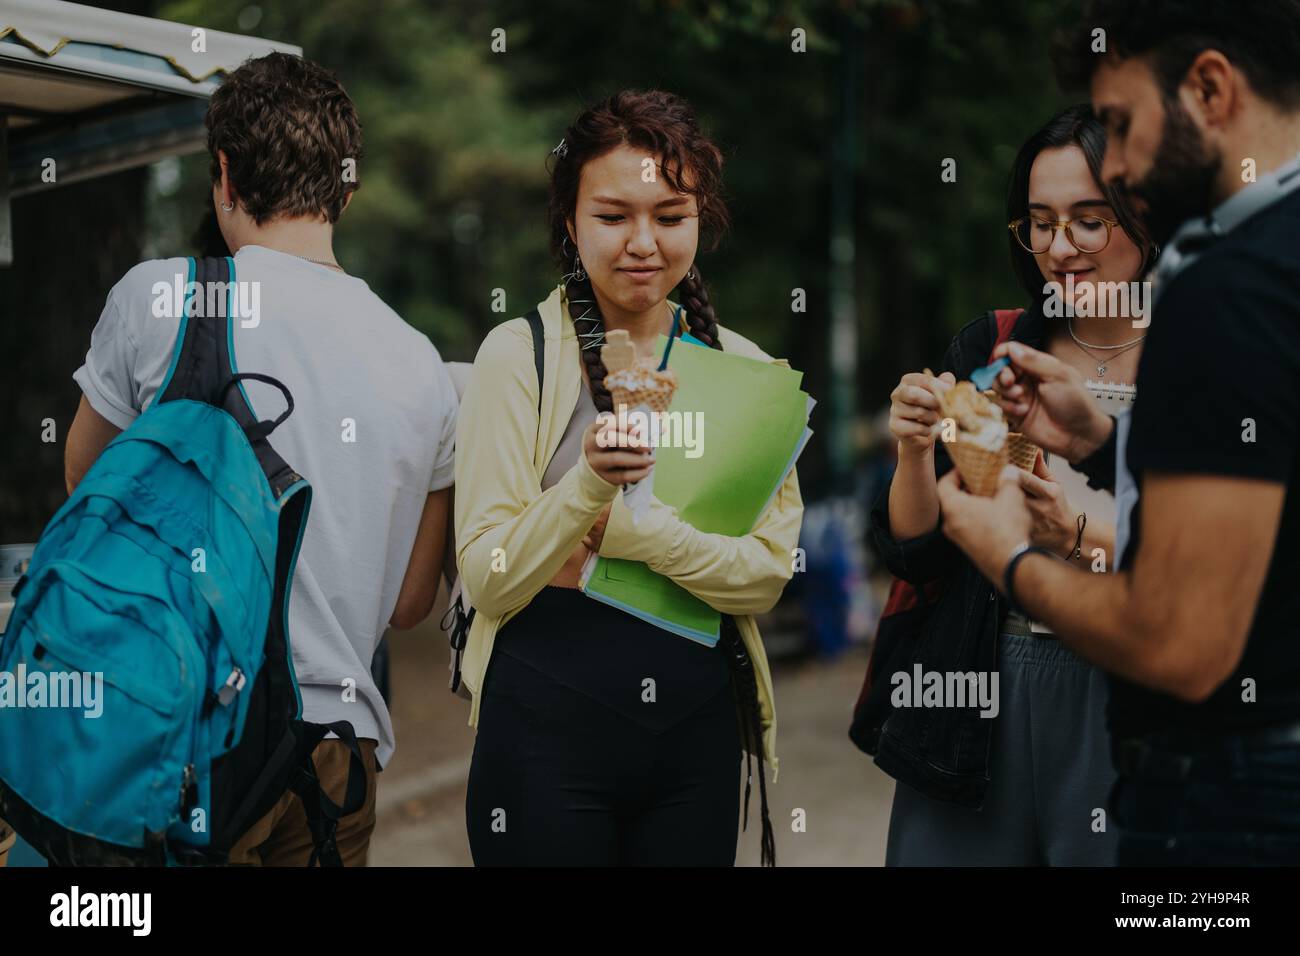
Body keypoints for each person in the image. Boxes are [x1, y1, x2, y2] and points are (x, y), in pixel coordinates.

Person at [64, 52, 457, 865]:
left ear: (223, 173)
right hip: (339, 765)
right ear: (347, 189)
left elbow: (85, 488)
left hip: (183, 742)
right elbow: (415, 600)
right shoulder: (423, 364)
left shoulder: (162, 298)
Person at [937, 0, 1300, 864]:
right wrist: (1105, 442)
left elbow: (1177, 644)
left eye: (1123, 125)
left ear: (1210, 89)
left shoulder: (1231, 291)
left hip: (1236, 804)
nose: (1125, 165)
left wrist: (1009, 559)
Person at [455, 90, 804, 866]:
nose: (643, 242)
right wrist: (584, 485)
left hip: (697, 742)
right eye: (613, 216)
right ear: (570, 222)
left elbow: (764, 577)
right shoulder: (520, 357)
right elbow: (487, 575)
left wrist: (630, 537)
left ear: (701, 221)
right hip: (543, 736)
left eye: (671, 216)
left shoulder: (748, 373)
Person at [873, 105, 1155, 865]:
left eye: (1089, 222)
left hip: (1134, 684)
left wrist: (1078, 540)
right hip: (983, 677)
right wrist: (912, 452)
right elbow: (917, 553)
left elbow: (1228, 563)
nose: (1059, 249)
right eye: (1039, 223)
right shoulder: (996, 346)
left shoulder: (1209, 355)